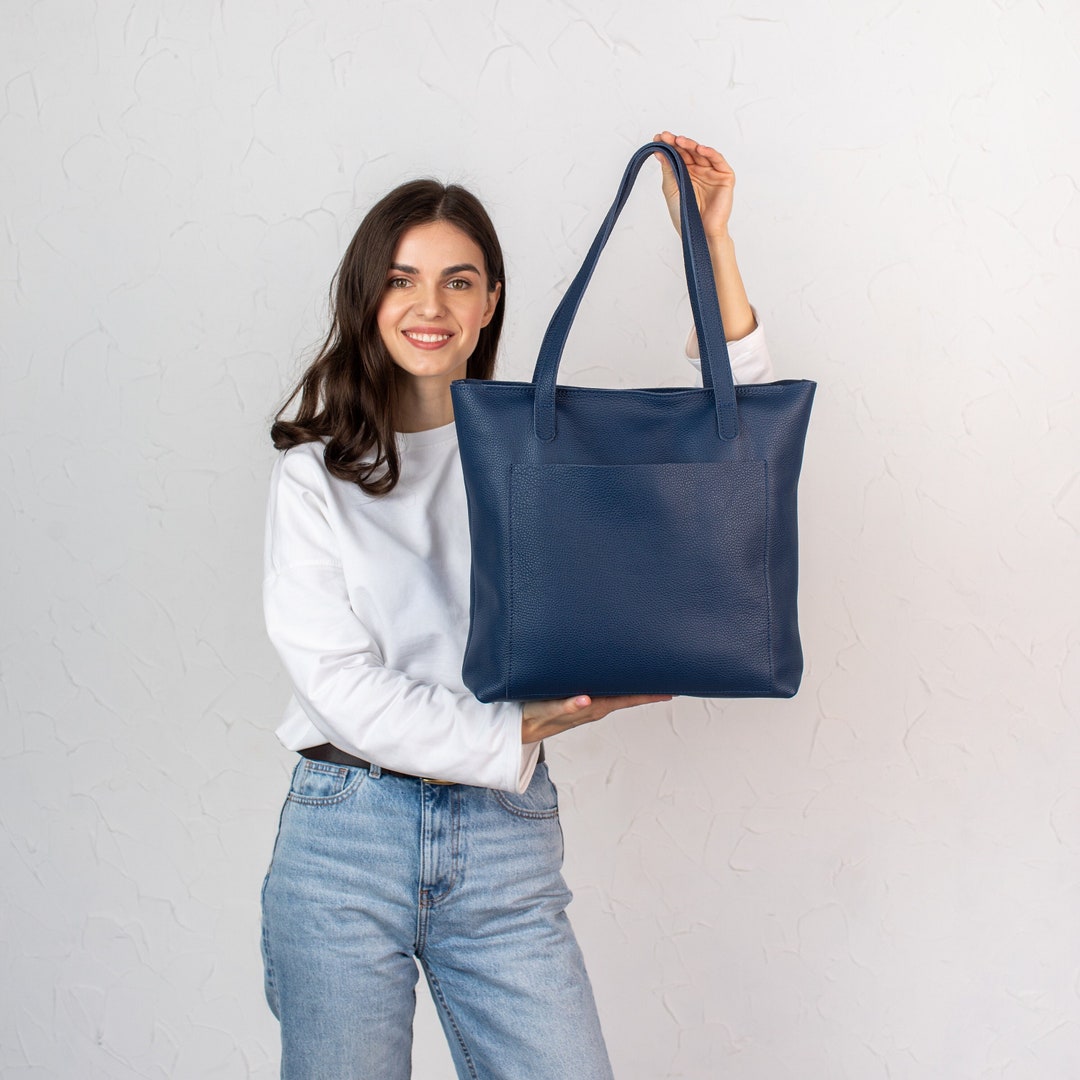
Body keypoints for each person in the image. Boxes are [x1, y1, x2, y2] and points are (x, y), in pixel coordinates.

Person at [259, 131, 775, 1080]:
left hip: (503, 836)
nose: (429, 305)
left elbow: (731, 437)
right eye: (403, 279)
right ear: (365, 296)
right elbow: (336, 683)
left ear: (491, 300)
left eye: (460, 280)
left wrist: (710, 246)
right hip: (343, 833)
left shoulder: (533, 449)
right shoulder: (314, 478)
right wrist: (516, 725)